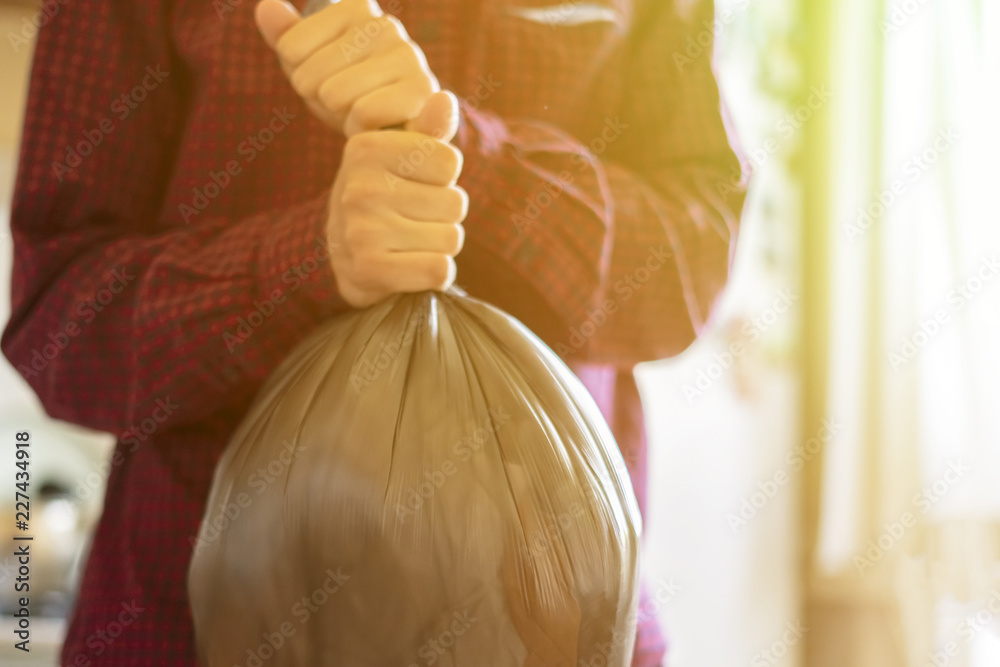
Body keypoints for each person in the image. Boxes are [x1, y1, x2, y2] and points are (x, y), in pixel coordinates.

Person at [2, 0, 746, 664]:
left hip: (549, 632)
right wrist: (308, 262)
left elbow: (687, 273)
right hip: (188, 625)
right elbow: (60, 327)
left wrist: (461, 156)